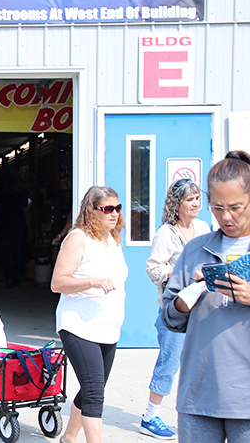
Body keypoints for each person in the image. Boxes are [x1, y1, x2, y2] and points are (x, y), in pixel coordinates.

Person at [162, 151, 250, 443]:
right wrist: (185, 299)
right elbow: (170, 318)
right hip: (199, 395)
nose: (226, 217)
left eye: (236, 207)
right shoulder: (195, 250)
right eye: (217, 207)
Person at [51, 186, 128, 443]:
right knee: (95, 392)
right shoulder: (77, 238)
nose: (114, 213)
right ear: (91, 211)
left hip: (108, 328)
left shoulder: (112, 240)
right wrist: (92, 282)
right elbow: (57, 283)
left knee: (92, 387)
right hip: (79, 325)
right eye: (107, 209)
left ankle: (69, 437)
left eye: (117, 208)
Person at [141, 178, 210, 439]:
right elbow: (153, 268)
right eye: (189, 199)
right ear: (177, 204)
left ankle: (198, 412)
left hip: (202, 308)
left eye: (197, 198)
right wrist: (179, 271)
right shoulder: (165, 234)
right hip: (176, 310)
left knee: (200, 362)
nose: (195, 203)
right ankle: (150, 416)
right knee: (169, 363)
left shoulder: (203, 227)